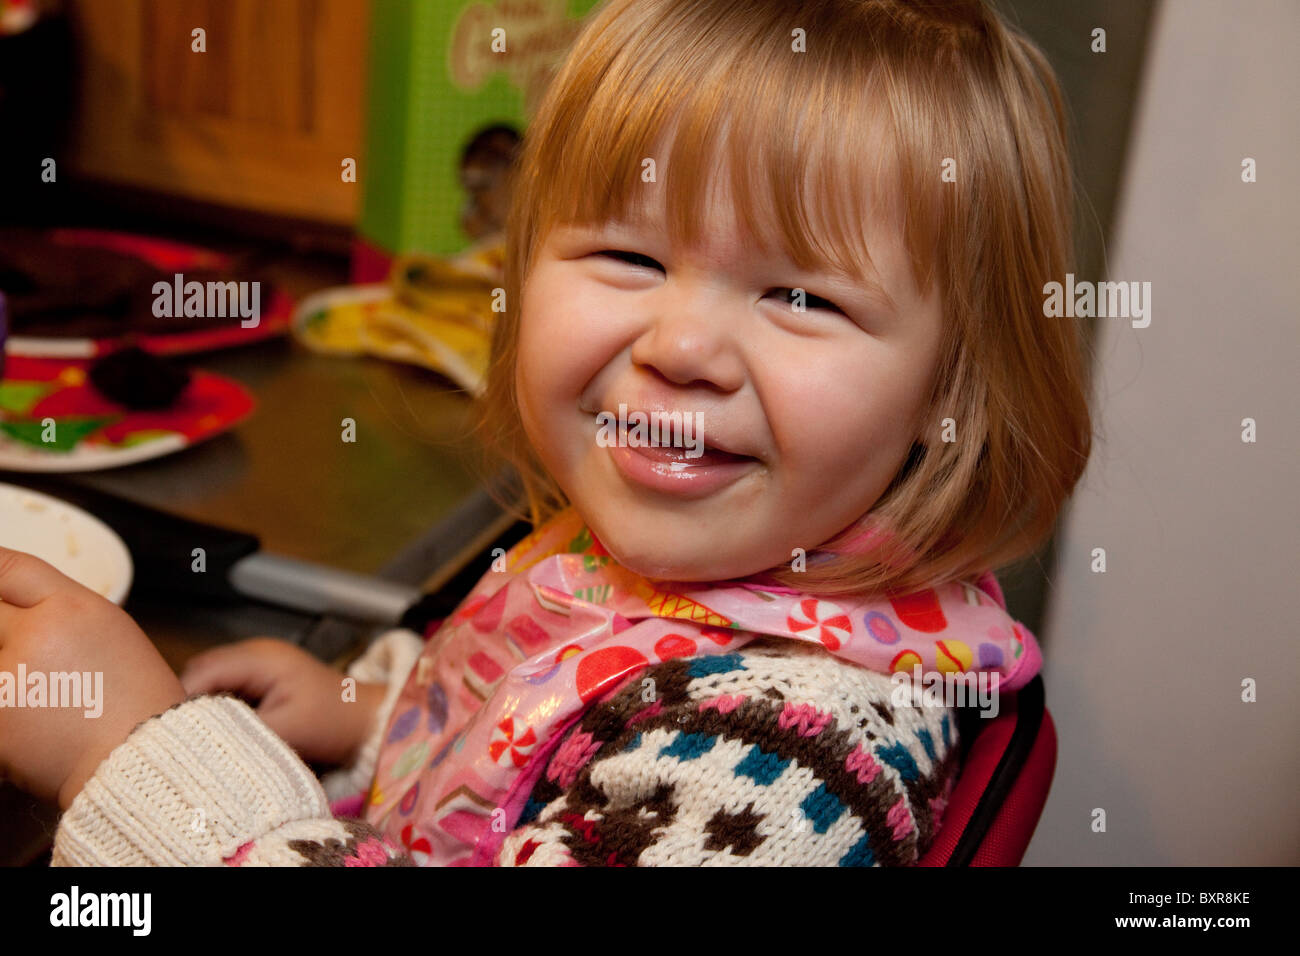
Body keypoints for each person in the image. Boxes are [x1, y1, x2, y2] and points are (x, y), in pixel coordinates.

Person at [0, 0, 1090, 866]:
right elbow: (543, 765)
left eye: (803, 297)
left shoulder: (788, 760)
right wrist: (375, 718)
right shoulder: (661, 557)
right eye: (631, 257)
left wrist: (135, 754)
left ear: (955, 387)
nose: (681, 345)